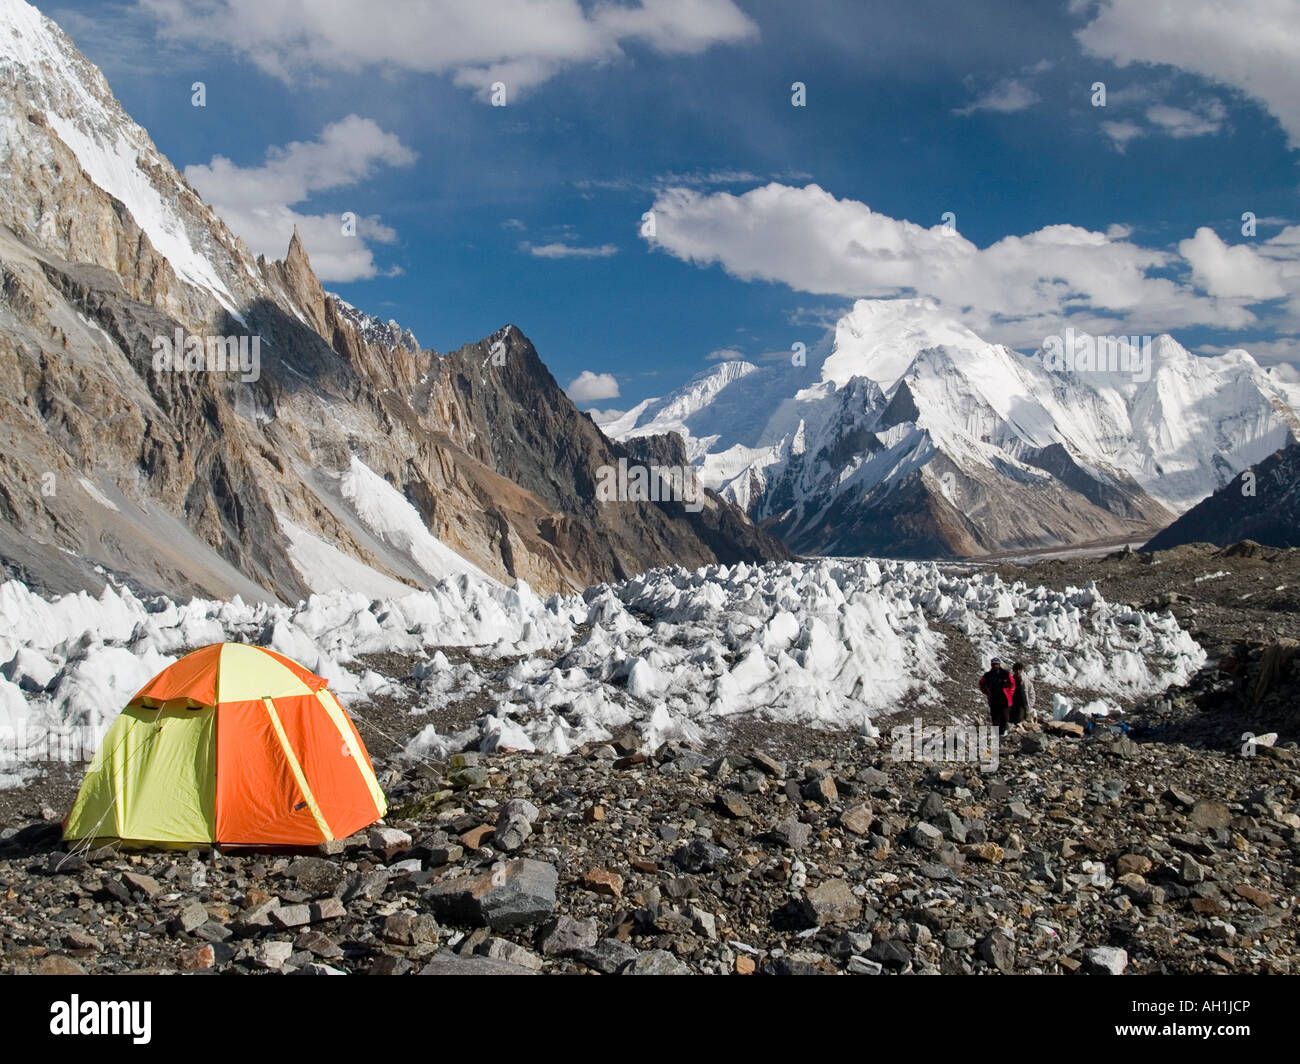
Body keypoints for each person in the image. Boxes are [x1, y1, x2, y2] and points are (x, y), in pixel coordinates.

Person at [978, 656, 1016, 735]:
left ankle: (1003, 731)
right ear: (991, 665)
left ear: (999, 664)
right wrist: (986, 691)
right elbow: (981, 683)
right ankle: (996, 733)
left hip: (1004, 699)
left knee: (1005, 717)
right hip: (993, 699)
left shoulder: (1005, 674)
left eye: (997, 664)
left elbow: (1013, 683)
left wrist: (1010, 693)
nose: (995, 666)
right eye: (994, 664)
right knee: (995, 717)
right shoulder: (987, 675)